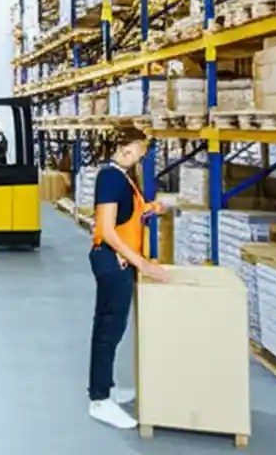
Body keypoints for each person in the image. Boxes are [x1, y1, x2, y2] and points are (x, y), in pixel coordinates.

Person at [88, 127, 171, 430]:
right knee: (109, 329)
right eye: (140, 150)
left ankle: (105, 386)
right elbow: (108, 231)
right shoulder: (110, 178)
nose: (142, 156)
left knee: (111, 326)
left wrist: (149, 210)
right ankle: (99, 400)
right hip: (113, 261)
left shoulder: (121, 177)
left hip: (119, 260)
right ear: (125, 147)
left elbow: (125, 217)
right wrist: (143, 265)